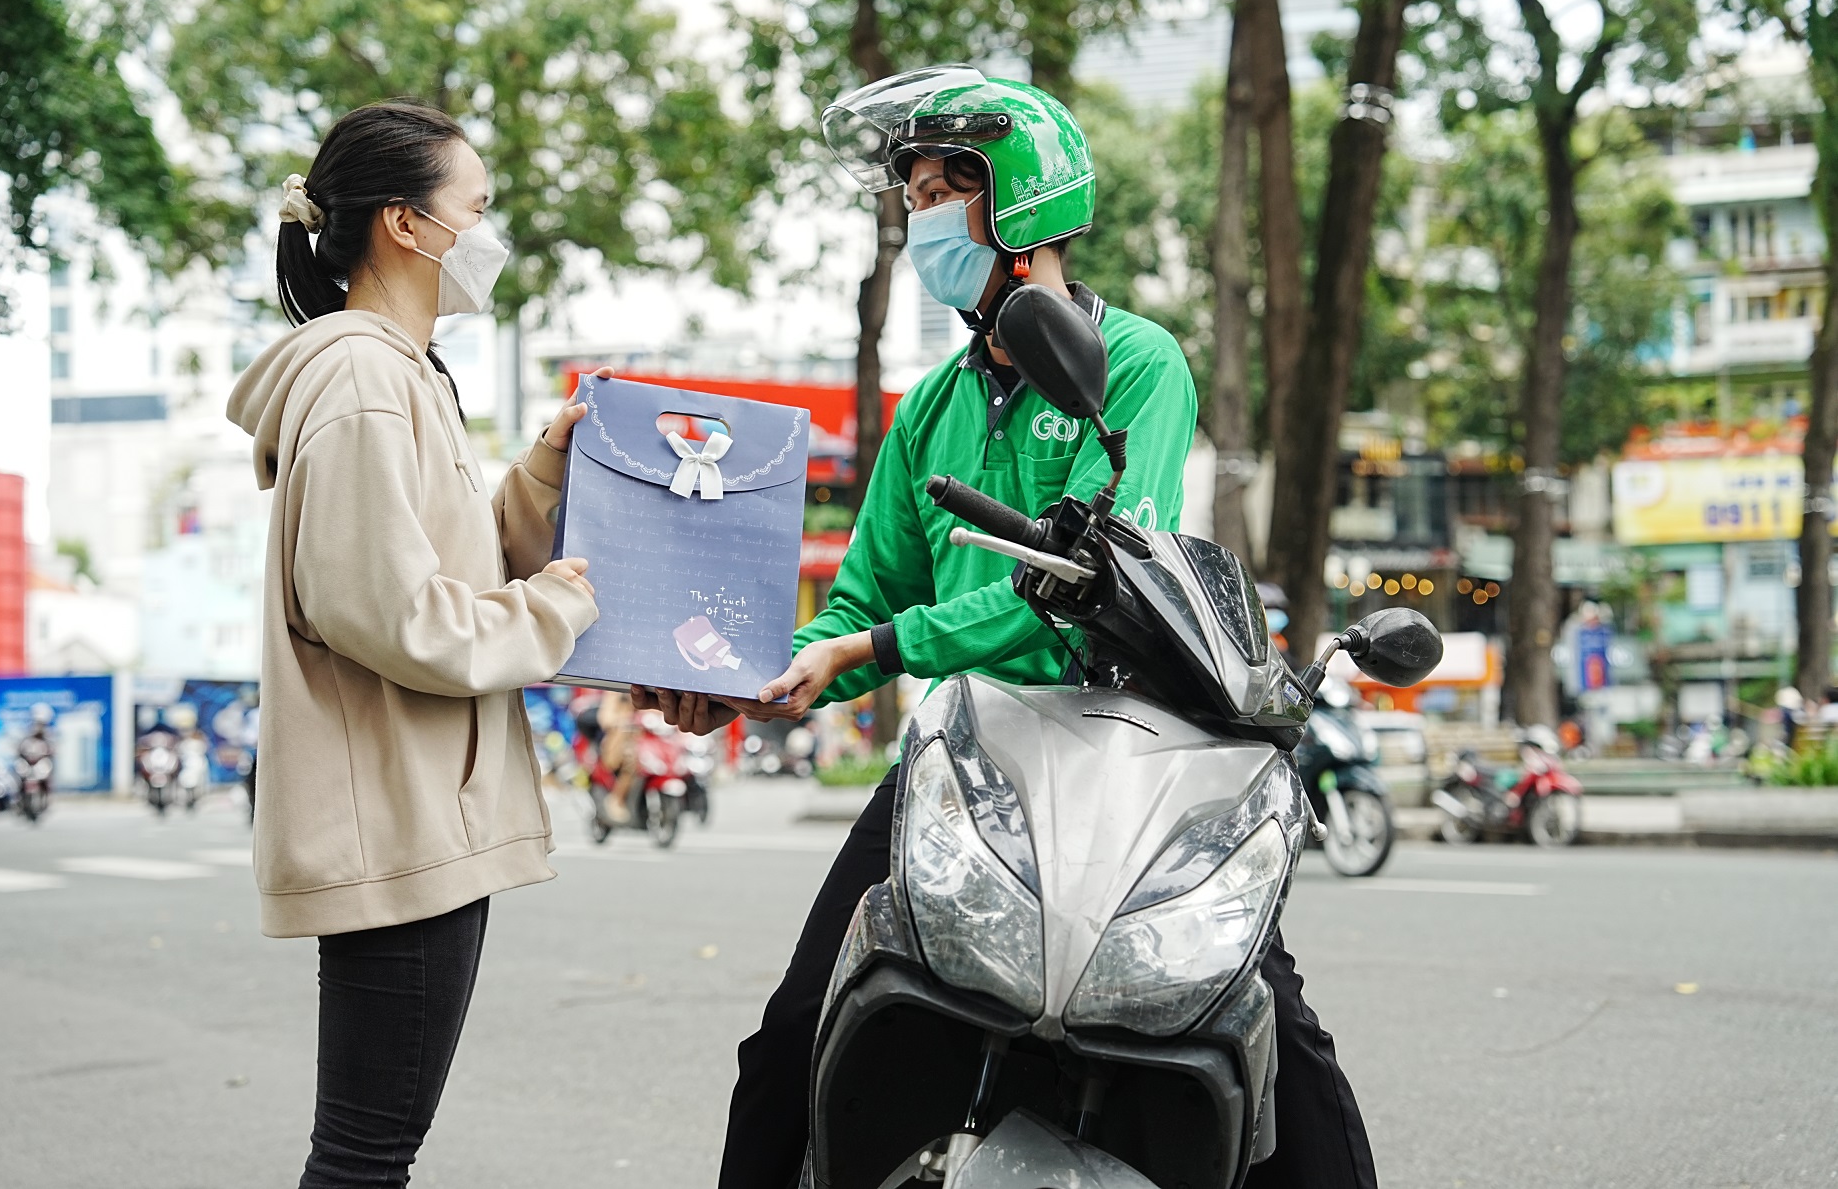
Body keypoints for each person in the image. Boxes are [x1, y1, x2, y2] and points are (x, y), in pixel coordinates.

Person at [636, 66, 1381, 1189]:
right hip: (966, 753)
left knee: (1260, 1019)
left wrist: (877, 649)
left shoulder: (1132, 364)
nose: (921, 213)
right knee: (793, 1036)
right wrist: (781, 671)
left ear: (1020, 203)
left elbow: (1091, 560)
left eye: (945, 187)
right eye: (916, 192)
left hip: (1124, 754)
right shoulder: (927, 407)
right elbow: (864, 598)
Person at [225, 99, 606, 1188]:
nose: (487, 234)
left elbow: (449, 553)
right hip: (397, 822)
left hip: (420, 806)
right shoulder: (360, 377)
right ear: (405, 221)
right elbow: (379, 606)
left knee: (367, 1149)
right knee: (362, 1155)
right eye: (474, 208)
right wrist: (553, 610)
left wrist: (539, 467)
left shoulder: (406, 370)